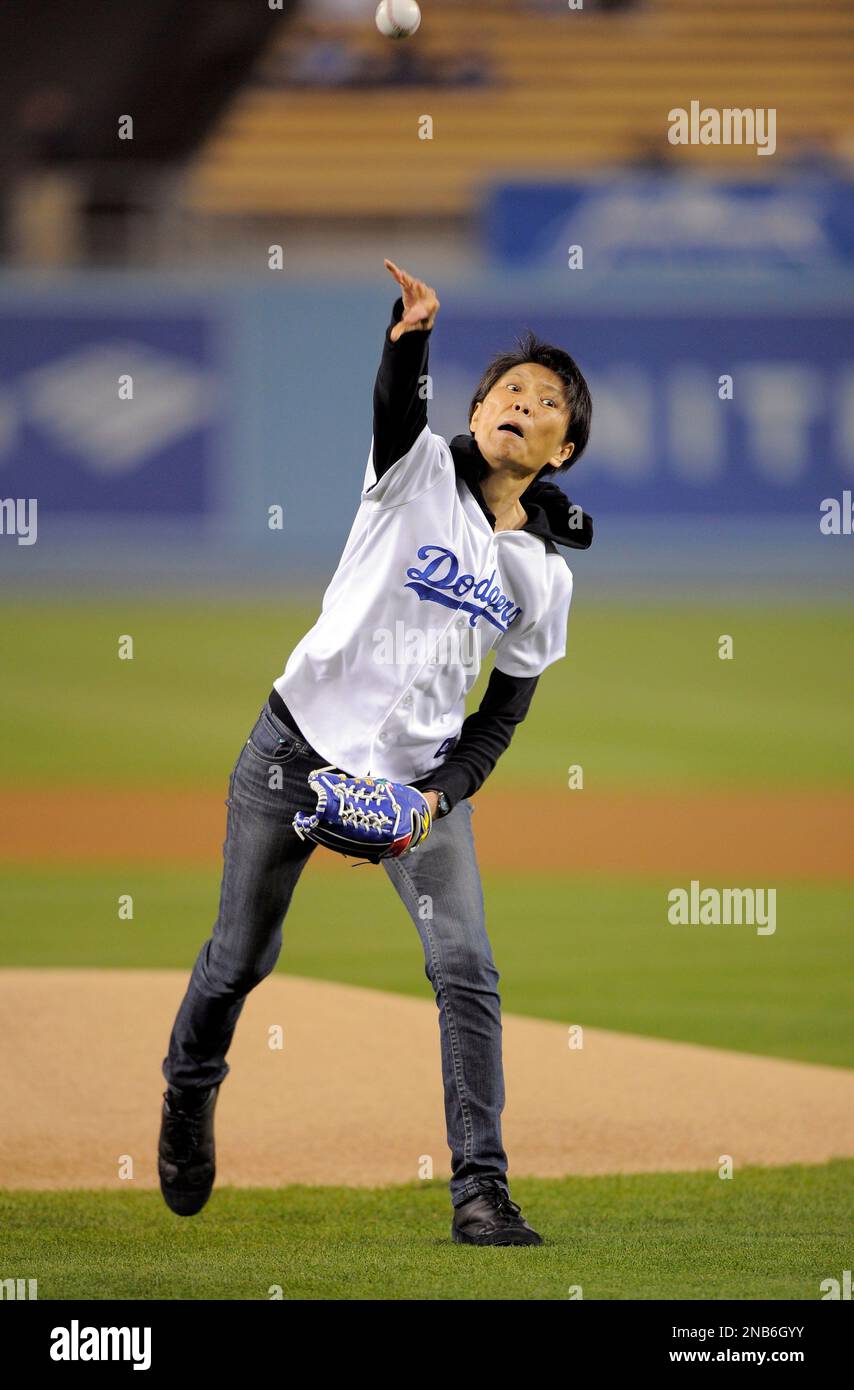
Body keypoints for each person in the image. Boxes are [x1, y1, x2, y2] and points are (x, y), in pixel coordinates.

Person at [158, 259, 593, 1246]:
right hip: (294, 751)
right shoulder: (412, 471)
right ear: (476, 410)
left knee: (466, 967)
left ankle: (480, 1192)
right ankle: (188, 1091)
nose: (519, 404)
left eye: (544, 403)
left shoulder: (539, 576)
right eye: (505, 392)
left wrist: (435, 800)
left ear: (562, 448)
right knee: (238, 959)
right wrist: (413, 338)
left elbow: (501, 716)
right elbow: (399, 406)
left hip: (417, 785)